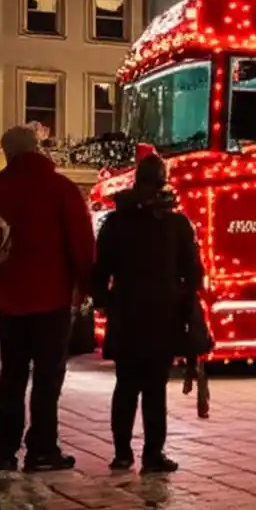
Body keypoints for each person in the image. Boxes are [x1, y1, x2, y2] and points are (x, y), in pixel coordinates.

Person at [0, 125, 95, 472]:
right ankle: (42, 449)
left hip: (11, 302)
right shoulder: (61, 189)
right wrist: (85, 287)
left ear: (9, 154)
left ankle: (4, 450)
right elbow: (82, 243)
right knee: (48, 378)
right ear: (38, 149)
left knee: (12, 375)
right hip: (52, 300)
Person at [93, 154, 203, 473]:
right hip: (162, 316)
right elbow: (193, 272)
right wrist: (181, 296)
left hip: (126, 314)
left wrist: (106, 301)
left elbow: (101, 272)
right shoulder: (176, 223)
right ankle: (153, 454)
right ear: (162, 181)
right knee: (155, 389)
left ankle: (122, 453)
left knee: (125, 386)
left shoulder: (116, 222)